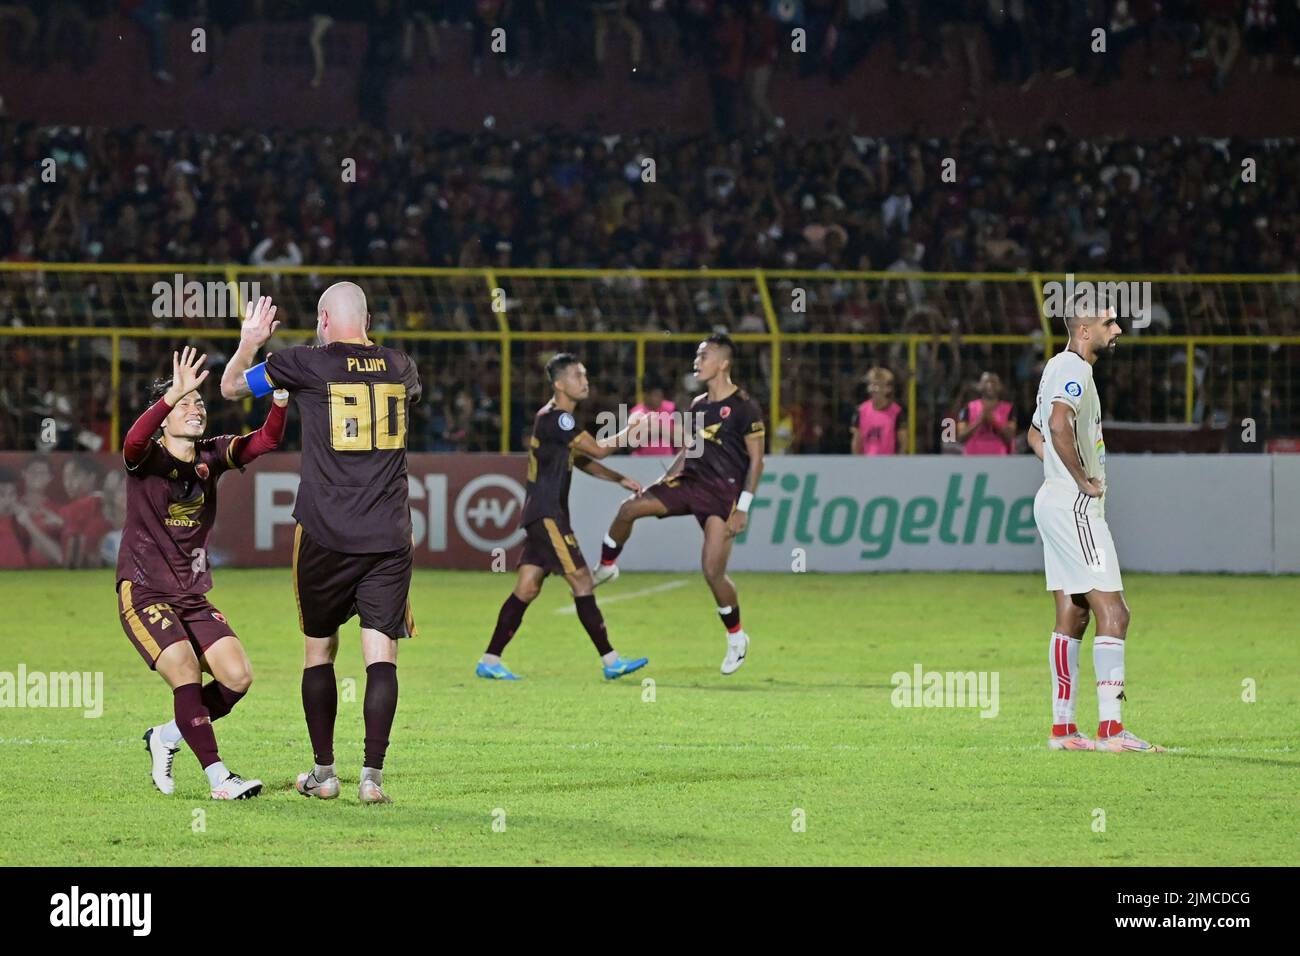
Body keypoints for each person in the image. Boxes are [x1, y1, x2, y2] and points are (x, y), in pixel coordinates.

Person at [221, 287, 422, 804]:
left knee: (319, 652)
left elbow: (229, 389)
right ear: (369, 320)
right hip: (388, 536)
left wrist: (250, 342)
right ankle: (372, 779)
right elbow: (376, 369)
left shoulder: (303, 364)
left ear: (323, 319)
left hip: (326, 534)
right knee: (382, 655)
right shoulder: (401, 365)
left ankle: (324, 774)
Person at [119, 346, 288, 799]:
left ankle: (166, 736)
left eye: (199, 402)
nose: (196, 409)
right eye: (185, 403)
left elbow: (265, 441)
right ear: (167, 416)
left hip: (191, 595)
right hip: (144, 591)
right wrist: (170, 394)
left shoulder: (210, 456)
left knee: (236, 677)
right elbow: (132, 441)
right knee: (187, 673)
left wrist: (281, 399)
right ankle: (219, 777)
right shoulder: (147, 458)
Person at [1027, 295, 1163, 753]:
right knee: (1115, 612)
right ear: (1084, 330)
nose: (1118, 329)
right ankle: (1112, 729)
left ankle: (1064, 729)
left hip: (1052, 502)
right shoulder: (1075, 371)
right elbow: (1057, 423)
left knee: (1074, 612)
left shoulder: (1055, 366)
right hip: (1075, 508)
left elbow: (1035, 432)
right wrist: (1081, 479)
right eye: (1109, 322)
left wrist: (1060, 472)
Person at [595, 333, 765, 675]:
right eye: (697, 356)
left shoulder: (745, 407)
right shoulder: (699, 404)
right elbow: (691, 448)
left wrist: (744, 506)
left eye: (704, 356)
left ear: (723, 363)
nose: (696, 362)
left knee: (712, 572)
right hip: (690, 483)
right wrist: (665, 481)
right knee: (630, 508)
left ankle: (736, 638)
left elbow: (757, 462)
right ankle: (607, 565)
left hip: (723, 495)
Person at [476, 353, 649, 681]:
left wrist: (618, 478)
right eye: (577, 376)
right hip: (548, 515)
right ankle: (611, 661)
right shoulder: (559, 419)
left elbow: (582, 459)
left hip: (540, 513)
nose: (585, 381)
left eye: (585, 375)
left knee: (527, 588)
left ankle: (490, 660)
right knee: (582, 581)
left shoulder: (554, 421)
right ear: (559, 383)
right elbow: (596, 449)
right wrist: (630, 431)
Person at [957, 371, 1017, 454]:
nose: (989, 385)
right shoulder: (968, 407)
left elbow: (1010, 437)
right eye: (986, 382)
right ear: (979, 386)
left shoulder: (1009, 408)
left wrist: (993, 421)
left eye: (994, 382)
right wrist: (979, 421)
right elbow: (960, 437)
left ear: (1000, 386)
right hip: (972, 458)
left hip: (1000, 460)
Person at [851, 367, 906, 455]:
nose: (874, 389)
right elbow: (856, 441)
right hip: (867, 462)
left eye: (879, 385)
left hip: (889, 463)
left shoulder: (897, 412)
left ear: (888, 388)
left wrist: (897, 464)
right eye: (872, 385)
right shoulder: (861, 410)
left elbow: (903, 443)